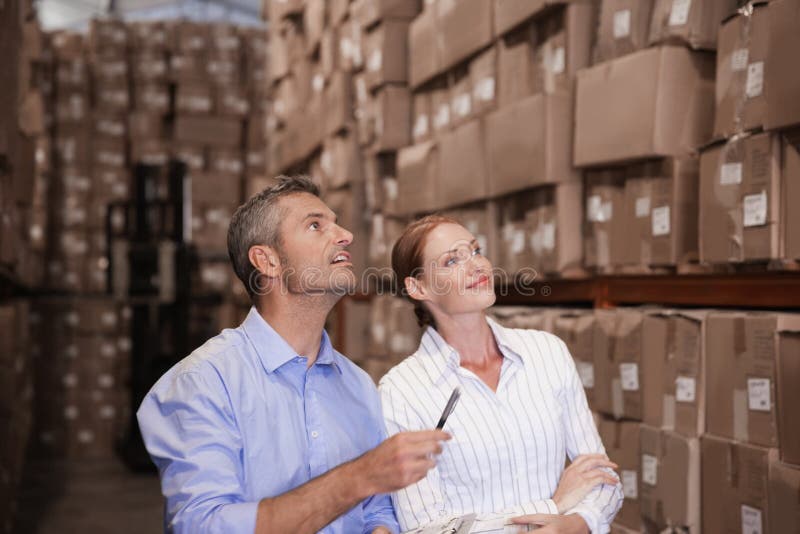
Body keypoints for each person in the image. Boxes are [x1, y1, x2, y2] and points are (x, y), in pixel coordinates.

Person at [137, 176, 450, 534]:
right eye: (316, 225)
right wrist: (357, 478)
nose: (345, 234)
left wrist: (381, 527)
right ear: (267, 260)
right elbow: (201, 525)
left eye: (337, 223)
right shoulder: (203, 383)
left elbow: (378, 508)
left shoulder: (359, 387)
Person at [379, 215, 623, 533]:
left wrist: (578, 523)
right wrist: (553, 506)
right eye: (452, 260)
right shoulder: (402, 392)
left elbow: (601, 476)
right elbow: (428, 528)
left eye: (475, 250)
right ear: (418, 287)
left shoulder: (547, 353)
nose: (476, 265)